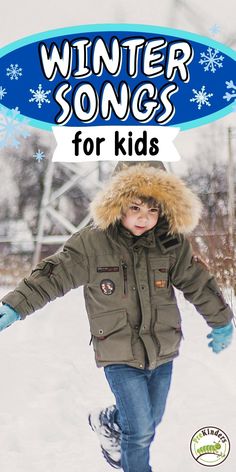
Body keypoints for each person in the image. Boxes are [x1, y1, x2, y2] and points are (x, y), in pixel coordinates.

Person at [0, 163, 234, 472]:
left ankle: (106, 420)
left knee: (151, 419)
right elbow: (52, 276)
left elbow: (197, 282)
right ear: (116, 203)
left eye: (152, 211)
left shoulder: (171, 243)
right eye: (134, 207)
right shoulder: (93, 243)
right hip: (118, 352)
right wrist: (15, 305)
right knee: (139, 432)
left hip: (162, 348)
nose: (143, 217)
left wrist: (221, 321)